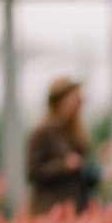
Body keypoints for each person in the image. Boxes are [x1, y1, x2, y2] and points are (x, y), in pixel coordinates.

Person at [27, 77, 99, 214]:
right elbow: (32, 172)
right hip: (50, 210)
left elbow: (79, 174)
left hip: (76, 208)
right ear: (58, 102)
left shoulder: (76, 133)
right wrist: (63, 165)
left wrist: (95, 175)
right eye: (72, 100)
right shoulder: (43, 132)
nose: (77, 105)